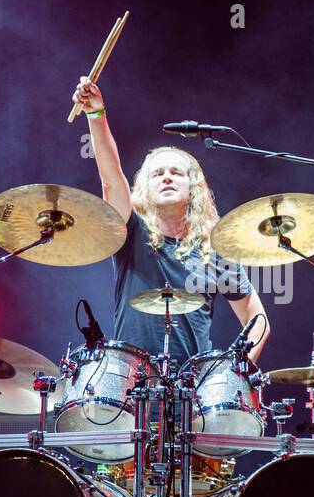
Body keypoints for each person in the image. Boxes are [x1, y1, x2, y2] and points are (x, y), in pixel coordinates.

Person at [71, 76, 270, 363]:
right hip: (130, 387)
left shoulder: (215, 249)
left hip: (193, 394)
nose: (166, 176)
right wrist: (95, 114)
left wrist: (234, 374)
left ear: (193, 188)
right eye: (157, 173)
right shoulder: (130, 233)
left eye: (176, 173)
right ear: (145, 188)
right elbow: (112, 181)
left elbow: (258, 319)